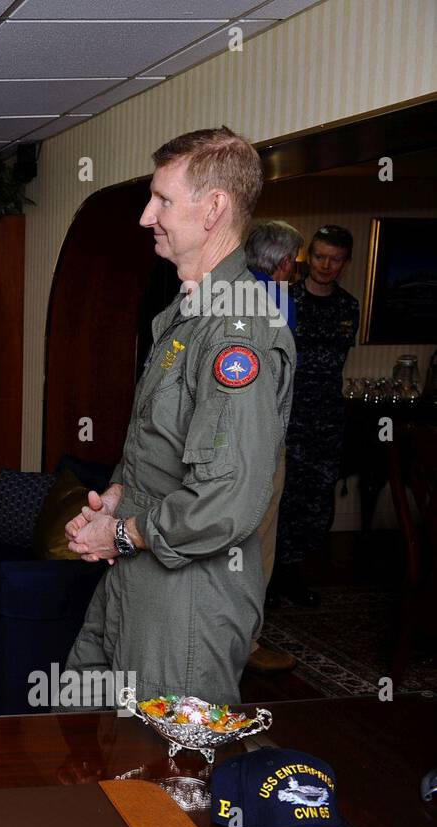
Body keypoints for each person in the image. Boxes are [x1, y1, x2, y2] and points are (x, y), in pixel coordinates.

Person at [64, 127, 295, 706]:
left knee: (170, 777)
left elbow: (229, 499)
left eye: (163, 200)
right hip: (136, 574)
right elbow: (160, 441)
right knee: (84, 734)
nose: (147, 216)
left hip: (187, 599)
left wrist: (123, 533)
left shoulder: (237, 333)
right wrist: (119, 497)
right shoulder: (185, 314)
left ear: (214, 208)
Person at [273, 225, 359, 608]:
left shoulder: (348, 307)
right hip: (288, 416)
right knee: (282, 496)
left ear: (345, 262)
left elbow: (338, 361)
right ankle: (268, 577)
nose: (326, 265)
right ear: (309, 257)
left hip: (326, 420)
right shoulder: (284, 299)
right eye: (321, 256)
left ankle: (295, 573)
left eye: (335, 259)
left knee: (316, 501)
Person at [243, 219, 304, 673]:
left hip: (220, 442)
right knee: (258, 543)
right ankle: (246, 644)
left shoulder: (221, 290)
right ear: (285, 263)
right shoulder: (279, 300)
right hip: (261, 443)